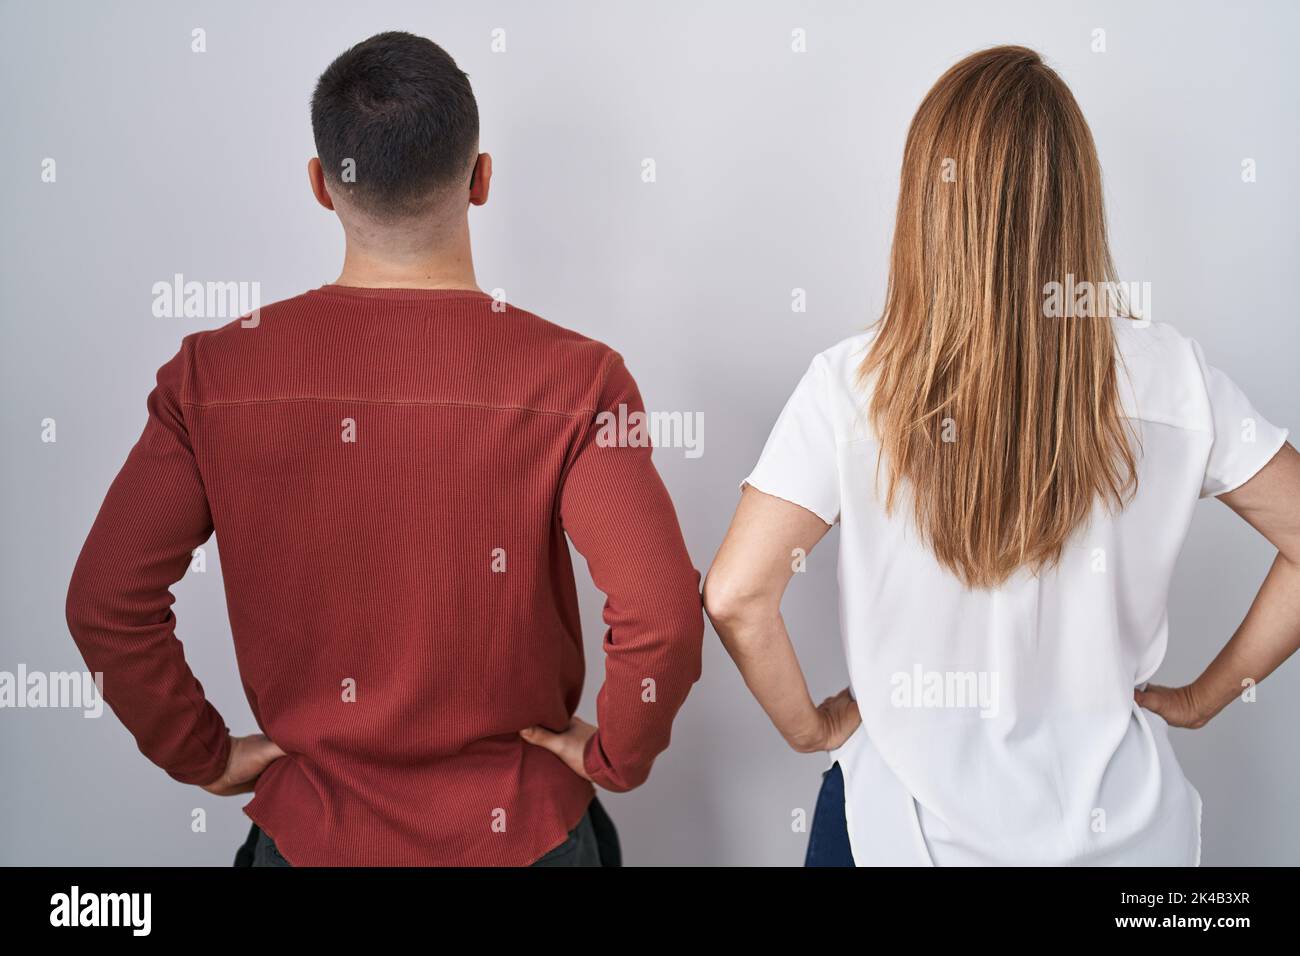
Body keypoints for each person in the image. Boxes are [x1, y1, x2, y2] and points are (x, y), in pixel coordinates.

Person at [64, 31, 704, 867]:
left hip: (313, 834)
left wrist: (204, 752)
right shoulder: (579, 381)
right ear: (480, 179)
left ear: (323, 187)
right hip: (523, 833)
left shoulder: (211, 377)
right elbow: (662, 615)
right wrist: (614, 755)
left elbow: (105, 604)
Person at [703, 45, 1298, 866]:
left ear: (926, 200)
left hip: (902, 837)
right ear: (1079, 200)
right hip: (1127, 843)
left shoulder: (852, 385)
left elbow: (736, 594)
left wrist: (812, 725)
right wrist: (1201, 700)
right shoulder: (1173, 377)